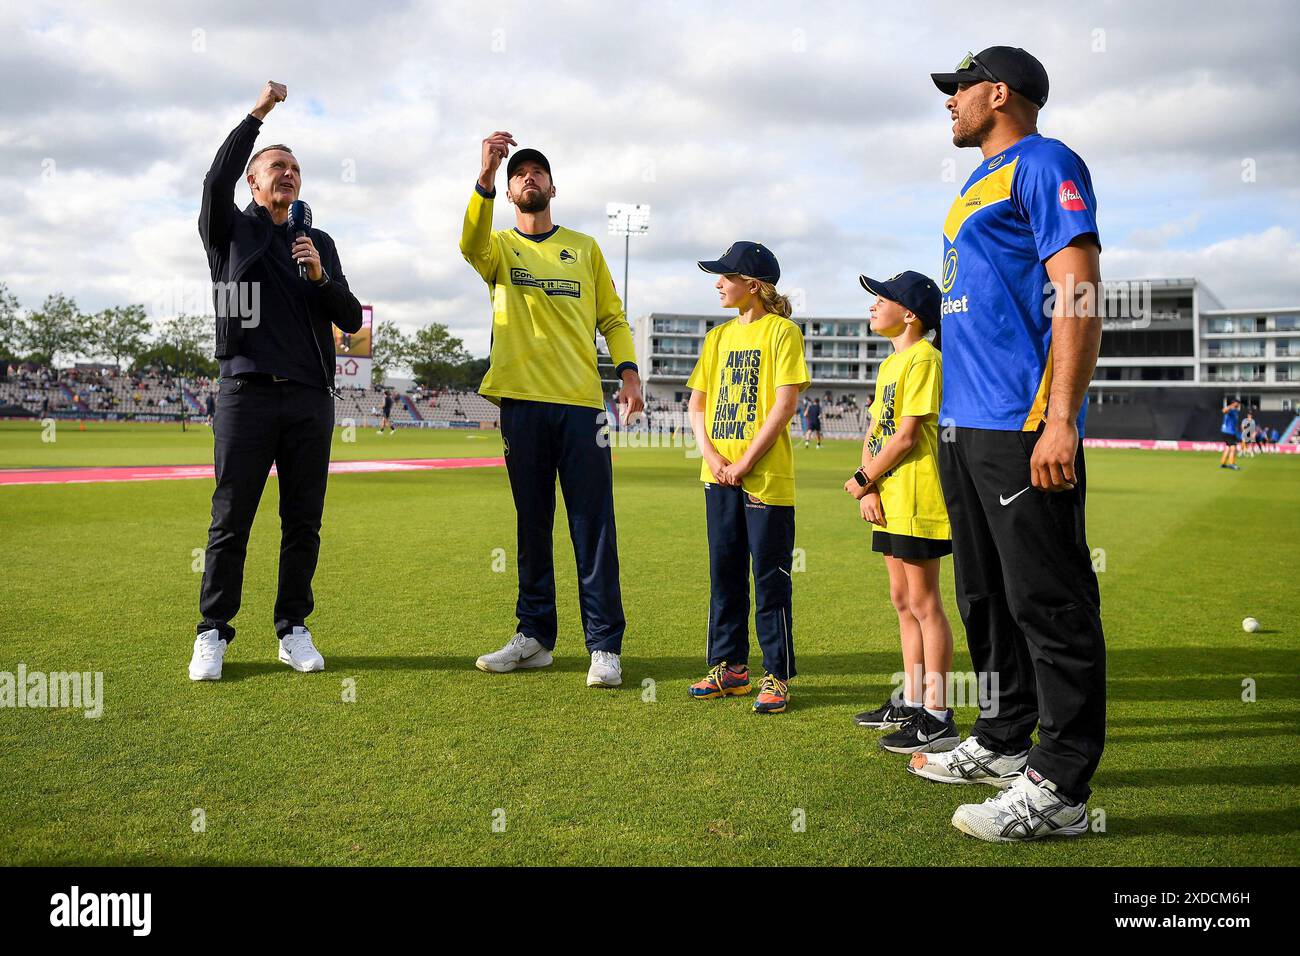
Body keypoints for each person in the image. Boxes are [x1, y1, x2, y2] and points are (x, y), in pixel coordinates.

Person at [908, 48, 1107, 842]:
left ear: (998, 92)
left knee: (1047, 600)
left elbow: (1081, 282)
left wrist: (1062, 417)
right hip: (965, 426)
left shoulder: (1046, 161)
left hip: (1022, 424)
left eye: (957, 89)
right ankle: (1000, 738)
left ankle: (1060, 782)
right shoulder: (969, 186)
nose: (948, 103)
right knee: (984, 598)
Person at [189, 81, 363, 682]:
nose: (287, 174)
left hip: (311, 400)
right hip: (246, 391)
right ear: (253, 183)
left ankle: (292, 627)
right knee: (231, 518)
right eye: (275, 167)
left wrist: (319, 275)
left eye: (294, 168)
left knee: (303, 522)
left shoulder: (319, 243)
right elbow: (214, 182)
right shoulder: (230, 232)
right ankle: (213, 631)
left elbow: (348, 315)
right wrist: (257, 115)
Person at [461, 132, 644, 689]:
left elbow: (612, 319)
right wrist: (484, 176)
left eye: (537, 172)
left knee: (593, 527)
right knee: (532, 525)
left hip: (582, 408)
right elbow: (468, 244)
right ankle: (535, 636)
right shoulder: (498, 248)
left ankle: (605, 646)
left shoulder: (585, 248)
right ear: (511, 189)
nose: (529, 178)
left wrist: (630, 372)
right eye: (520, 174)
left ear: (552, 186)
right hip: (521, 406)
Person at [685, 242, 810, 714]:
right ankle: (730, 668)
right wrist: (713, 457)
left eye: (726, 276)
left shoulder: (783, 334)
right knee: (725, 574)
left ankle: (776, 675)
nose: (717, 283)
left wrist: (744, 463)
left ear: (753, 284)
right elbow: (696, 404)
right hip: (716, 475)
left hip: (764, 478)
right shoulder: (716, 338)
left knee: (770, 577)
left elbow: (784, 406)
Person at [844, 272, 957, 754]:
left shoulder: (925, 360)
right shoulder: (890, 365)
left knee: (925, 602)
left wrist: (866, 478)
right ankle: (912, 701)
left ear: (909, 313)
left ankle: (937, 714)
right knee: (901, 599)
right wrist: (868, 488)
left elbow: (907, 435)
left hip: (917, 496)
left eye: (881, 299)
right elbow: (877, 432)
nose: (872, 306)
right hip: (888, 496)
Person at [1220, 400, 1242, 470]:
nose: (1238, 405)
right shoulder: (1231, 410)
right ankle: (1231, 464)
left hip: (1229, 432)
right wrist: (1230, 406)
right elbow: (1224, 411)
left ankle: (1223, 464)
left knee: (1228, 447)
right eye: (1237, 403)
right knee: (1233, 448)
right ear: (1234, 403)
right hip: (1228, 432)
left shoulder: (1235, 411)